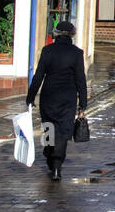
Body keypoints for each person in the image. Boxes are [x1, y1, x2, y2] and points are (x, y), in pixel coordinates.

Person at [25, 20, 87, 182]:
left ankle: (48, 153)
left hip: (49, 95)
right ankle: (57, 168)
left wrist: (30, 97)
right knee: (63, 132)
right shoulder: (76, 53)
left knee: (49, 128)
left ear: (56, 34)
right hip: (68, 98)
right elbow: (80, 79)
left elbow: (38, 76)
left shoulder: (47, 51)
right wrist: (83, 104)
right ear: (72, 34)